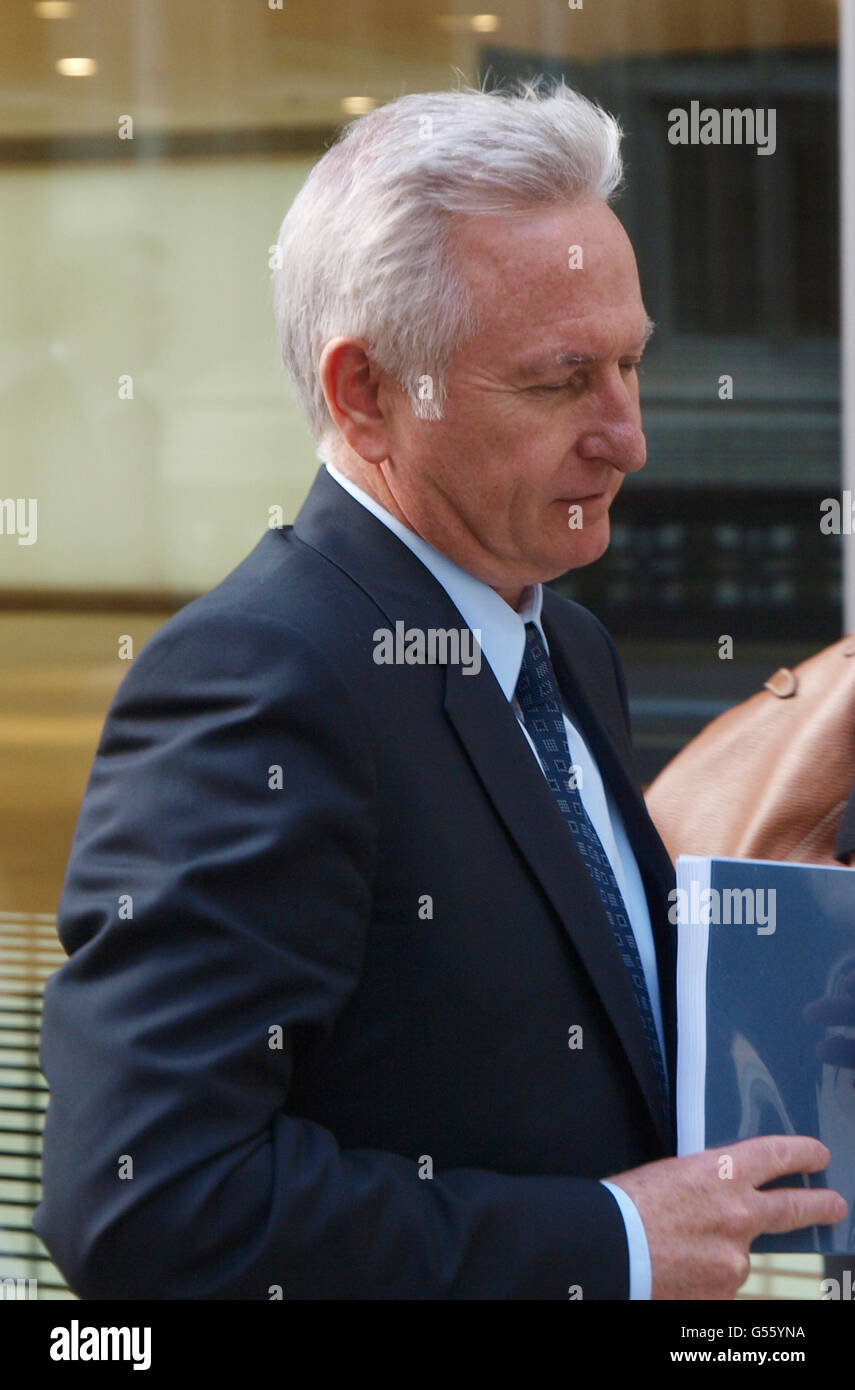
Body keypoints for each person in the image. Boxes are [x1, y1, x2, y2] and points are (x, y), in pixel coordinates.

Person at [34, 79, 845, 1300]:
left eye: (631, 363)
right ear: (367, 395)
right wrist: (610, 1246)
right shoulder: (258, 680)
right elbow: (151, 1204)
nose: (630, 437)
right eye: (561, 380)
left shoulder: (564, 645)